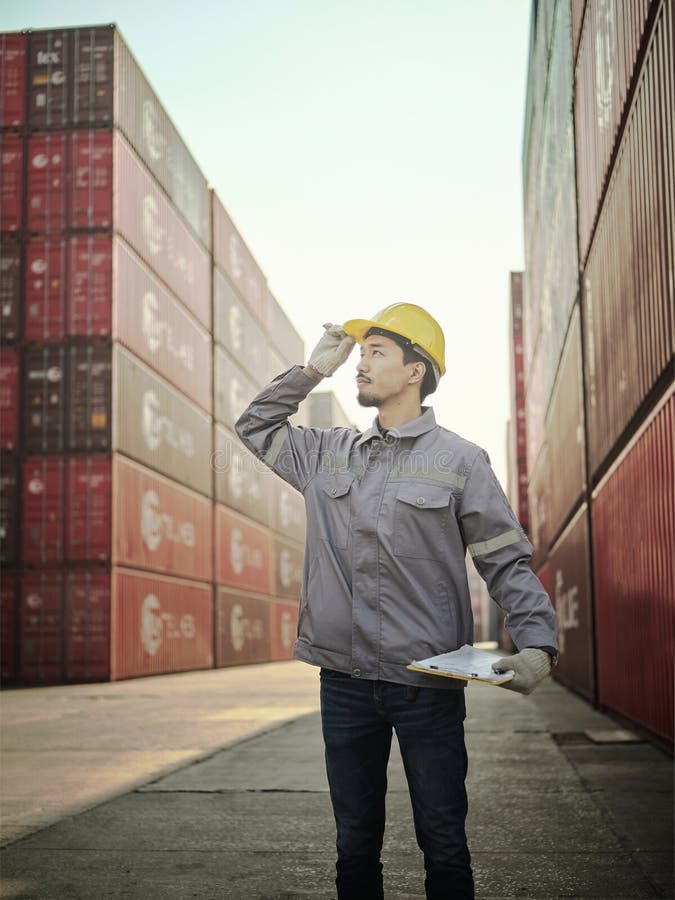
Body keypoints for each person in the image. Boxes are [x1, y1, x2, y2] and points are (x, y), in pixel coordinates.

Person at [235, 303, 558, 900]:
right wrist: (311, 372)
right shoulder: (325, 454)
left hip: (426, 683)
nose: (360, 363)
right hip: (344, 681)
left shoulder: (460, 460)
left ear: (416, 371)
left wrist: (539, 644)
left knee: (444, 841)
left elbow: (503, 559)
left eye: (376, 353)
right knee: (354, 843)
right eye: (359, 353)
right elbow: (254, 426)